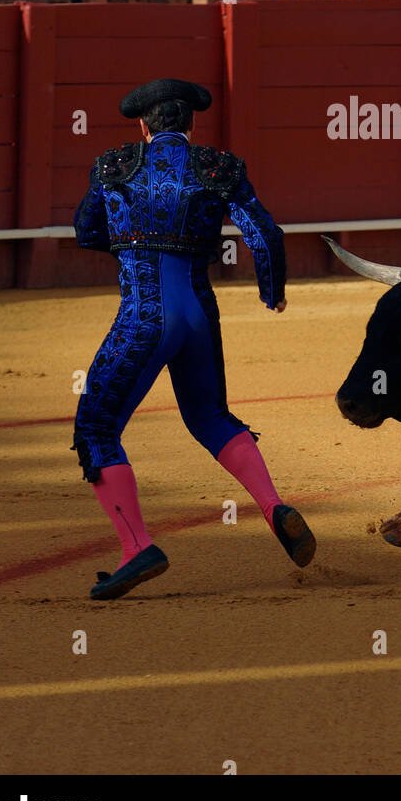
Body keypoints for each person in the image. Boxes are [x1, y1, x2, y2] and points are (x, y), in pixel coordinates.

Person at [72, 77, 314, 600]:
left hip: (144, 313)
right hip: (200, 313)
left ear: (143, 125)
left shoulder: (115, 166)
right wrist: (272, 291)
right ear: (192, 124)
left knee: (96, 426)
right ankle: (274, 508)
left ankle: (137, 547)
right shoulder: (220, 168)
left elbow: (86, 230)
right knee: (209, 417)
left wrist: (130, 243)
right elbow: (264, 235)